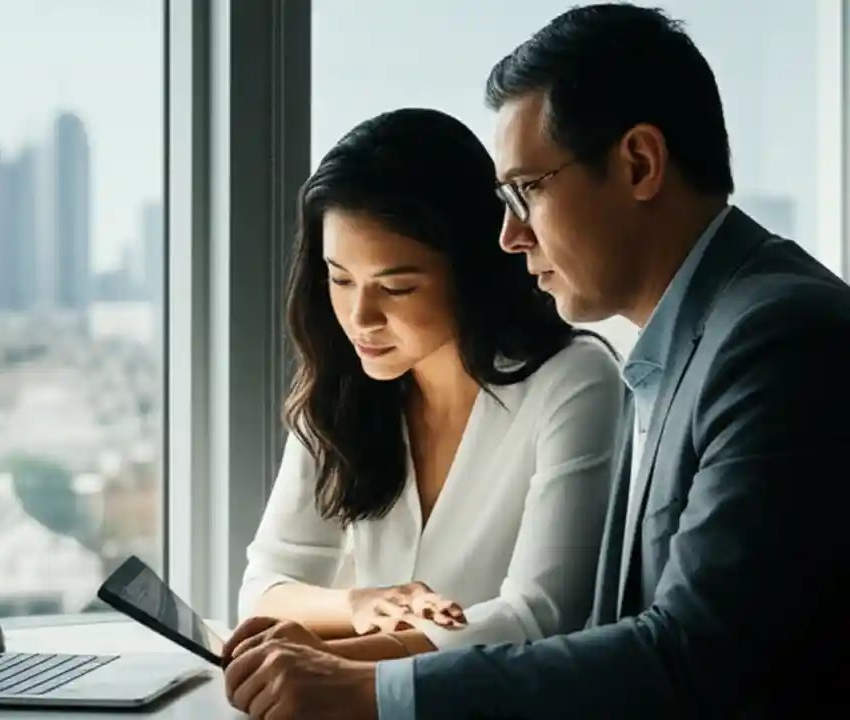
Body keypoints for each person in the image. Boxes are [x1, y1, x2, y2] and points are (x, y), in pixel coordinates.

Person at [222, 4, 850, 719]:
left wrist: (368, 687)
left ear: (639, 164)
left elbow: (692, 653)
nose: (510, 236)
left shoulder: (777, 339)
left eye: (527, 190)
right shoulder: (687, 349)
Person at [234, 107, 624, 664]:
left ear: (471, 272)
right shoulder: (345, 387)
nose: (360, 318)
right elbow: (265, 588)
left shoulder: (573, 379)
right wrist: (360, 604)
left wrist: (341, 668)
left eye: (396, 288)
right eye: (339, 279)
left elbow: (541, 615)